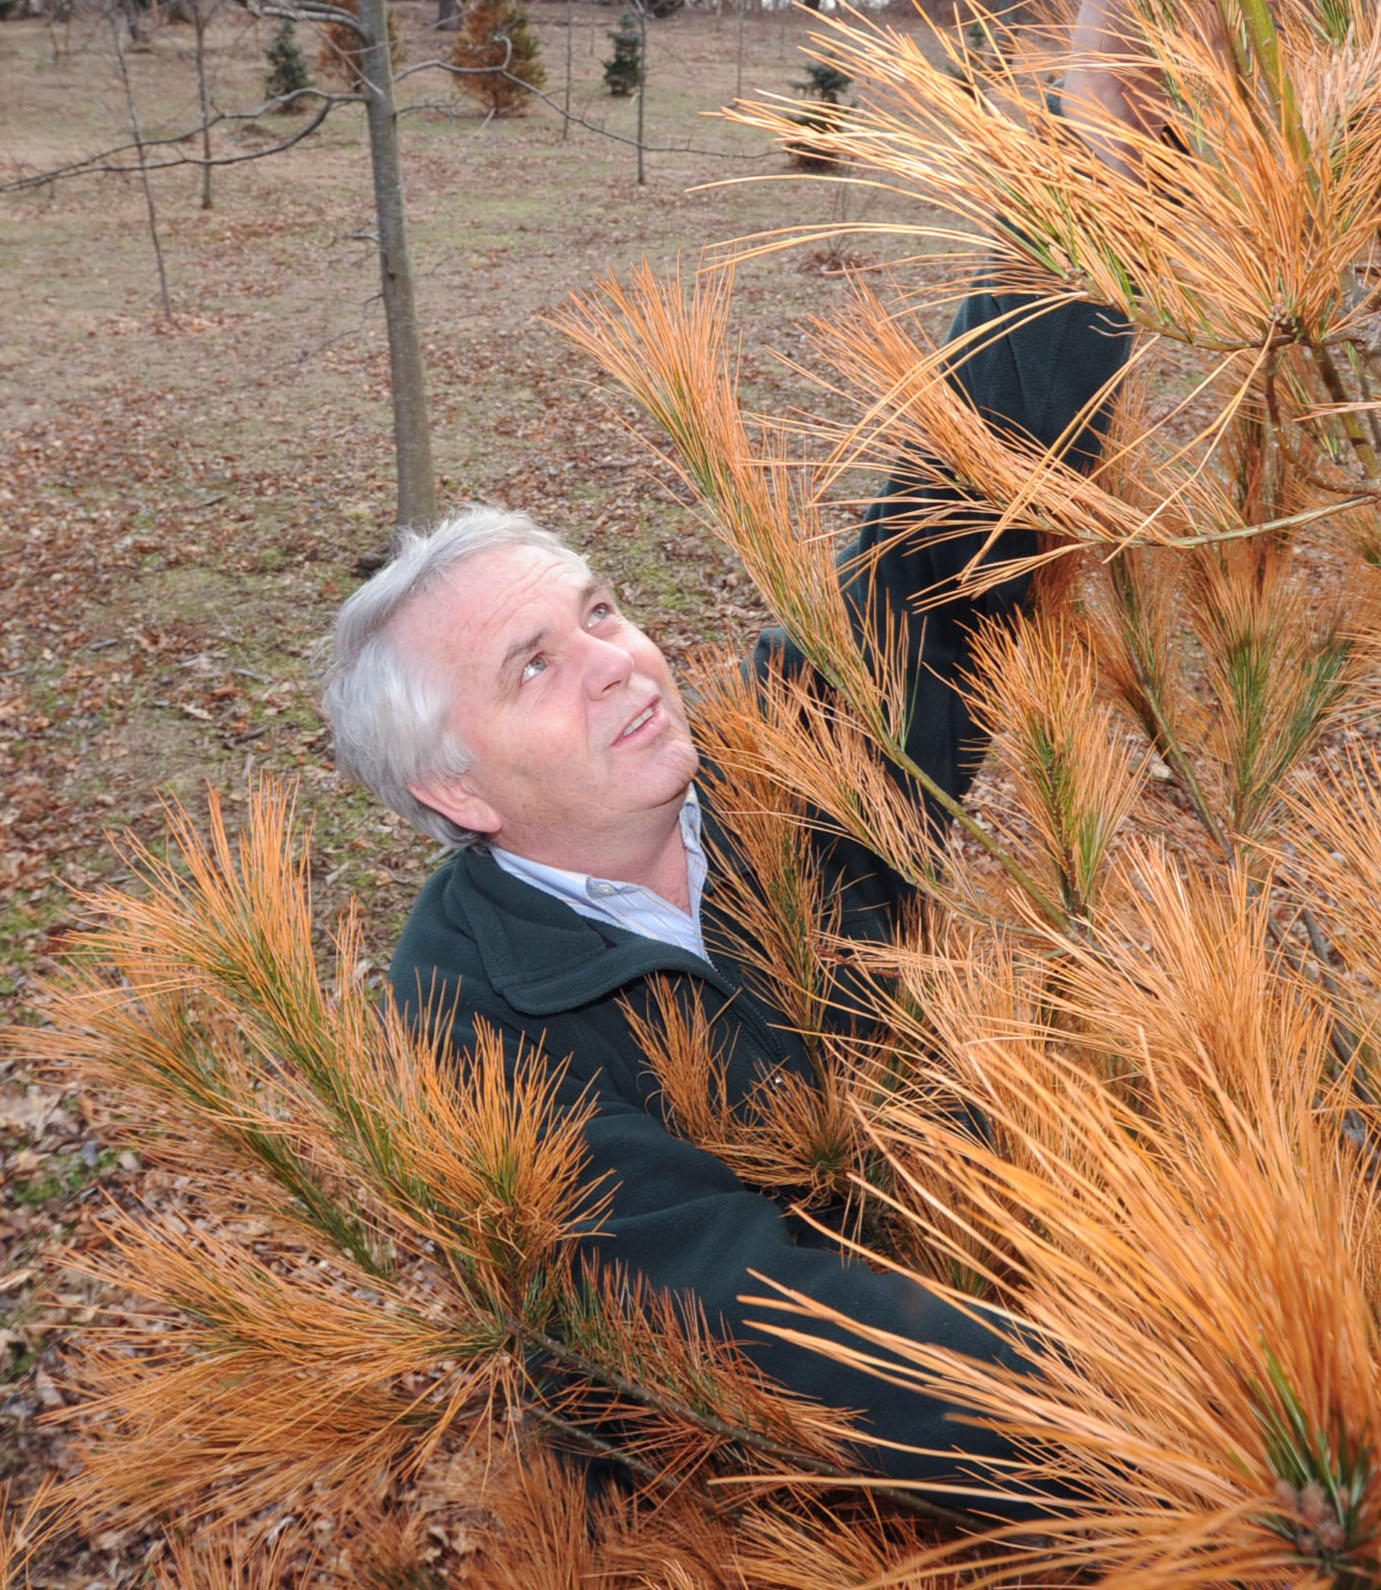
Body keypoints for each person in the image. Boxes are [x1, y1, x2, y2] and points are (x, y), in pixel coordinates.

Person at [321, 17, 1142, 1503]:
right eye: (536, 668)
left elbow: (948, 520)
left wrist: (1086, 140)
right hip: (781, 1506)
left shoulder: (776, 776)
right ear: (457, 790)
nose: (622, 663)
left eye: (602, 610)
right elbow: (752, 1313)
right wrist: (1153, 1413)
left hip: (1035, 1300)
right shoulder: (465, 1024)